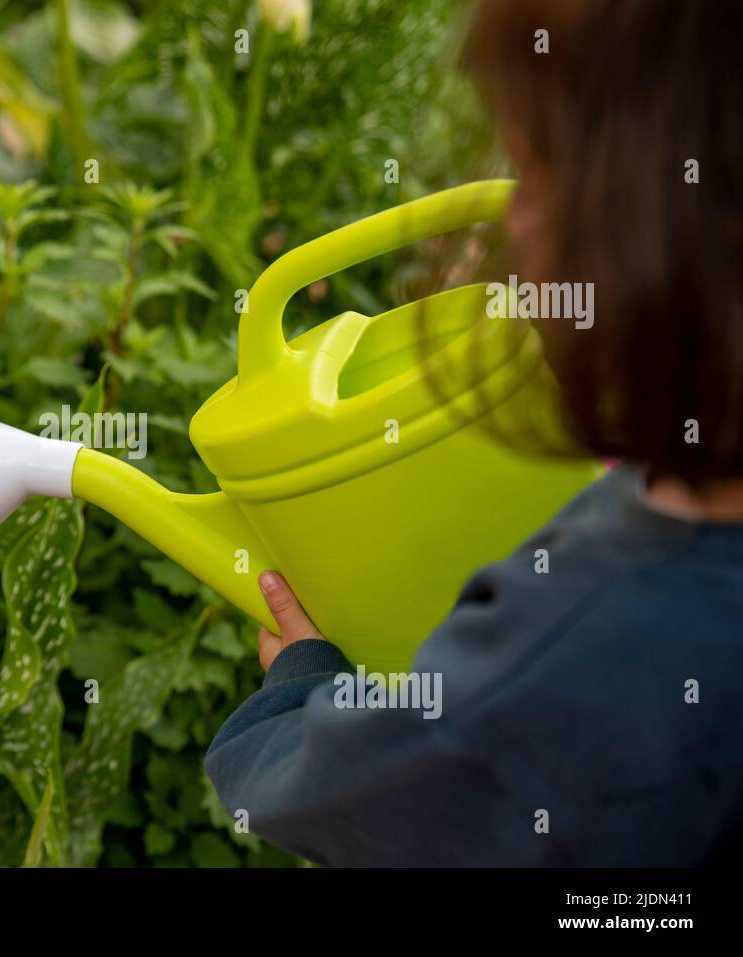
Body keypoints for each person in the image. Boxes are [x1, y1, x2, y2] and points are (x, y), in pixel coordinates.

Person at [205, 0, 742, 866]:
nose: (515, 219)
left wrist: (295, 695)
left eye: (537, 174)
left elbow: (360, 794)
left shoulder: (590, 639)